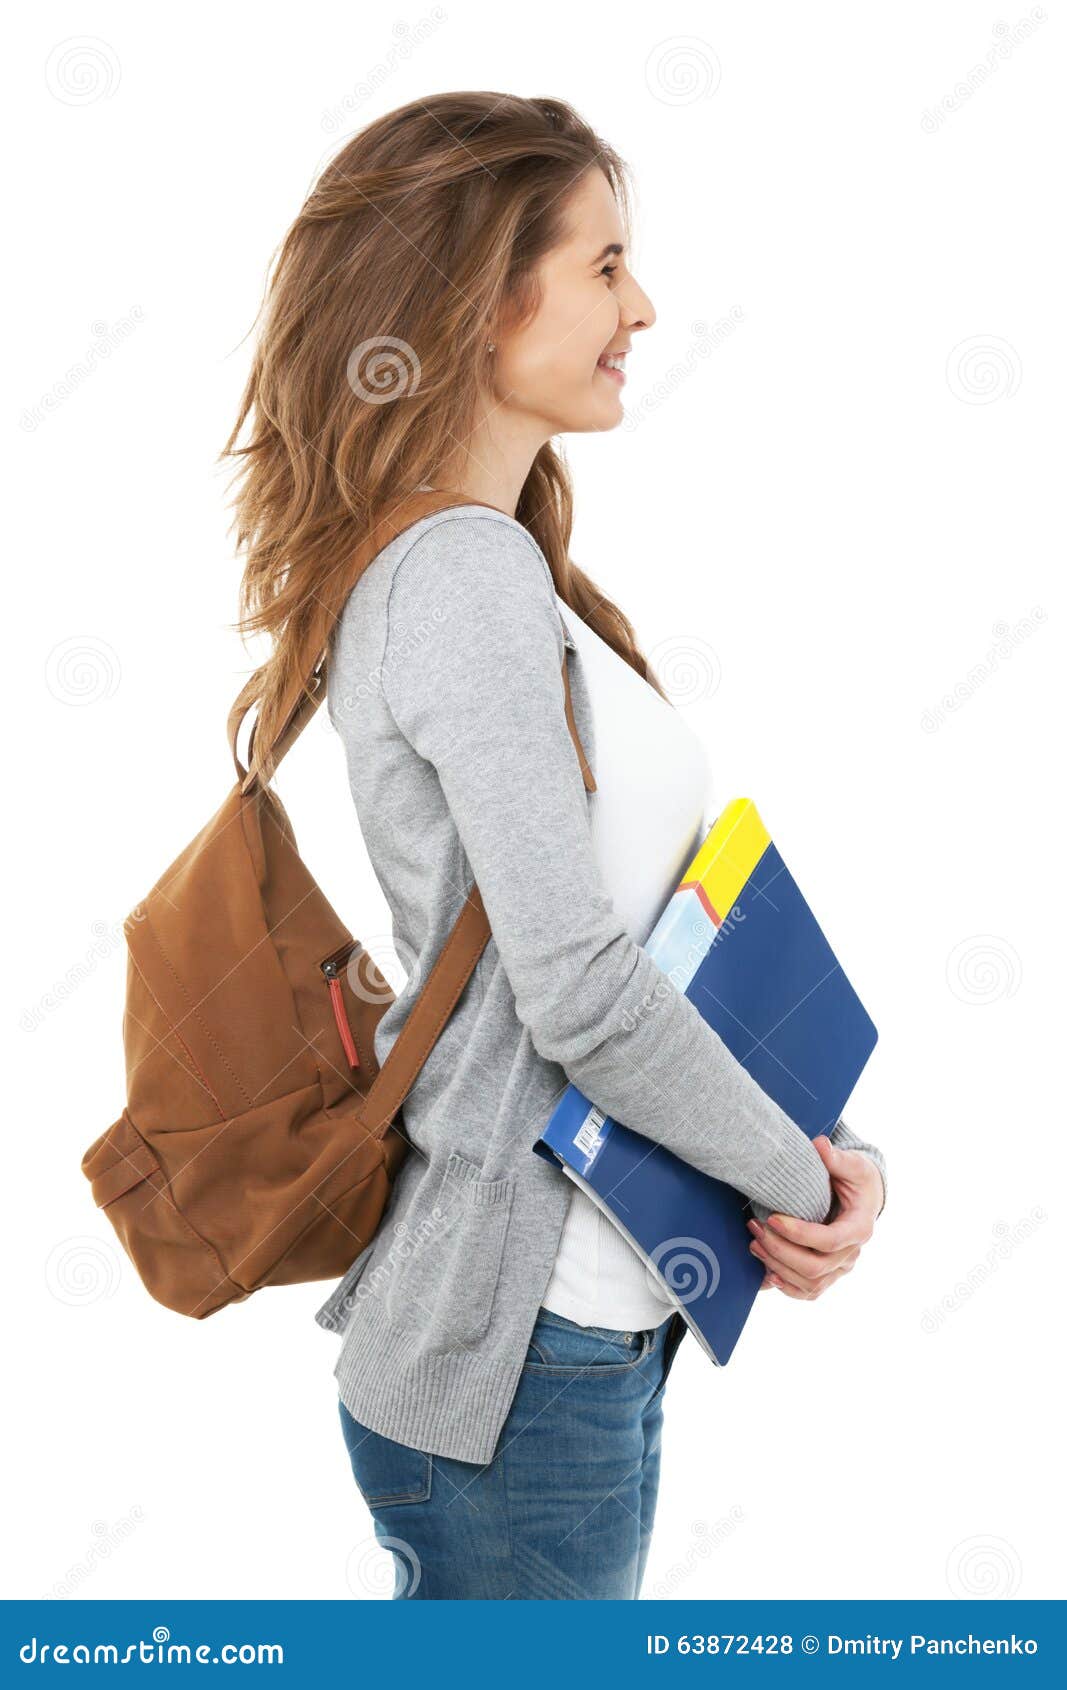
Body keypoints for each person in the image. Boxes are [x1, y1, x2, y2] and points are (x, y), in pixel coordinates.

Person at [223, 92, 887, 1601]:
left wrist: (828, 1152)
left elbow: (657, 948)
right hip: (523, 1350)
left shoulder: (499, 564)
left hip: (583, 1325)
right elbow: (579, 990)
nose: (643, 307)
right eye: (604, 265)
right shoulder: (460, 573)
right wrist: (795, 1182)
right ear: (476, 293)